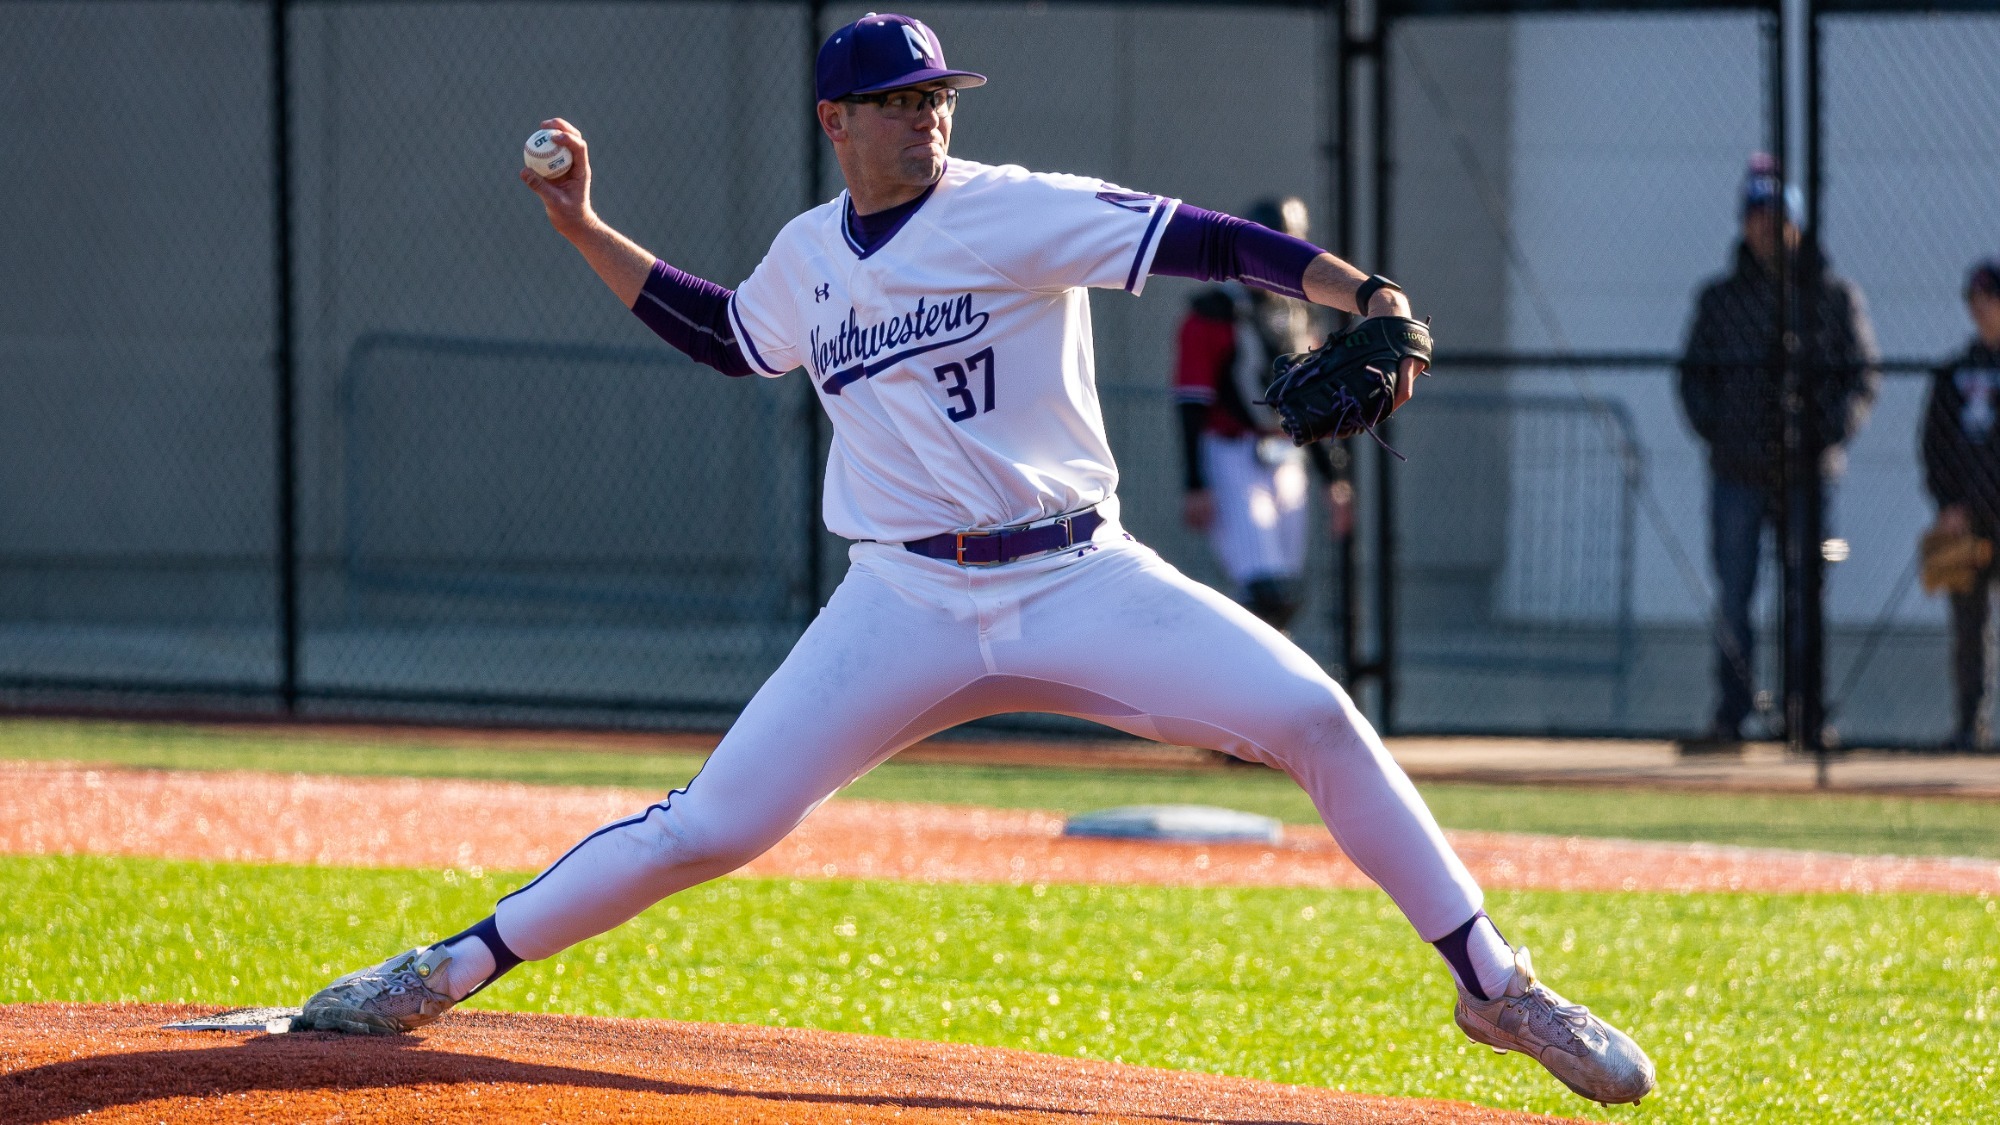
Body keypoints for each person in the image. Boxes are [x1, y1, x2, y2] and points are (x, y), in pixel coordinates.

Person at [294, 14, 1654, 1106]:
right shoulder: (807, 256)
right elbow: (728, 335)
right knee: (713, 827)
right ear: (837, 121)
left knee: (1314, 714)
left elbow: (1208, 240)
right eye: (899, 99)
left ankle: (1497, 983)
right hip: (902, 596)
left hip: (1076, 575)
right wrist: (586, 230)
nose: (929, 113)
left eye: (939, 94)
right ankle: (445, 968)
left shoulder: (1013, 208)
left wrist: (1360, 293)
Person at [1678, 153, 1879, 743]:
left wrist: (1827, 433)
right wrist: (1719, 429)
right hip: (1736, 469)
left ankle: (1805, 713)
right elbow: (1692, 377)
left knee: (1804, 593)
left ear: (1794, 223)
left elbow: (1862, 376)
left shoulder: (1832, 295)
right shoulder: (1719, 298)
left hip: (1808, 473)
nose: (1764, 227)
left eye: (1774, 215)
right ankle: (1731, 712)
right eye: (1754, 216)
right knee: (1734, 593)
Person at [1175, 196, 1352, 631]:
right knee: (1262, 592)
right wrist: (1195, 483)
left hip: (1287, 453)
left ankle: (1265, 692)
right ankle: (1238, 690)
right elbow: (1191, 403)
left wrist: (1335, 478)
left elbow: (1310, 403)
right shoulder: (1213, 313)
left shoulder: (1296, 313)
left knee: (1284, 594)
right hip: (1234, 453)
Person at [1921, 258, 2000, 750]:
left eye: (1989, 299)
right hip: (1963, 522)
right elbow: (1934, 444)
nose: (1980, 309)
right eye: (1973, 301)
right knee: (1967, 628)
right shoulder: (1954, 372)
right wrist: (1948, 501)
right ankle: (1969, 722)